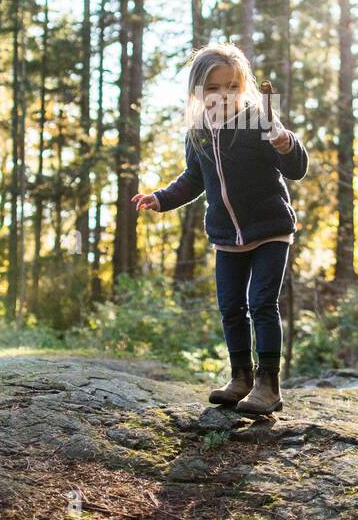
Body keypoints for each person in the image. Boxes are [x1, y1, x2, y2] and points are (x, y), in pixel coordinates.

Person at [132, 43, 309, 416]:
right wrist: (160, 199)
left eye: (232, 86)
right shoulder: (197, 133)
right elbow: (193, 179)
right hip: (227, 237)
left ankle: (268, 384)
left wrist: (286, 143)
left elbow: (295, 167)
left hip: (270, 229)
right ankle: (240, 376)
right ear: (198, 91)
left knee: (262, 303)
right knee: (230, 307)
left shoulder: (258, 122)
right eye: (213, 88)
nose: (223, 95)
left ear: (243, 87)